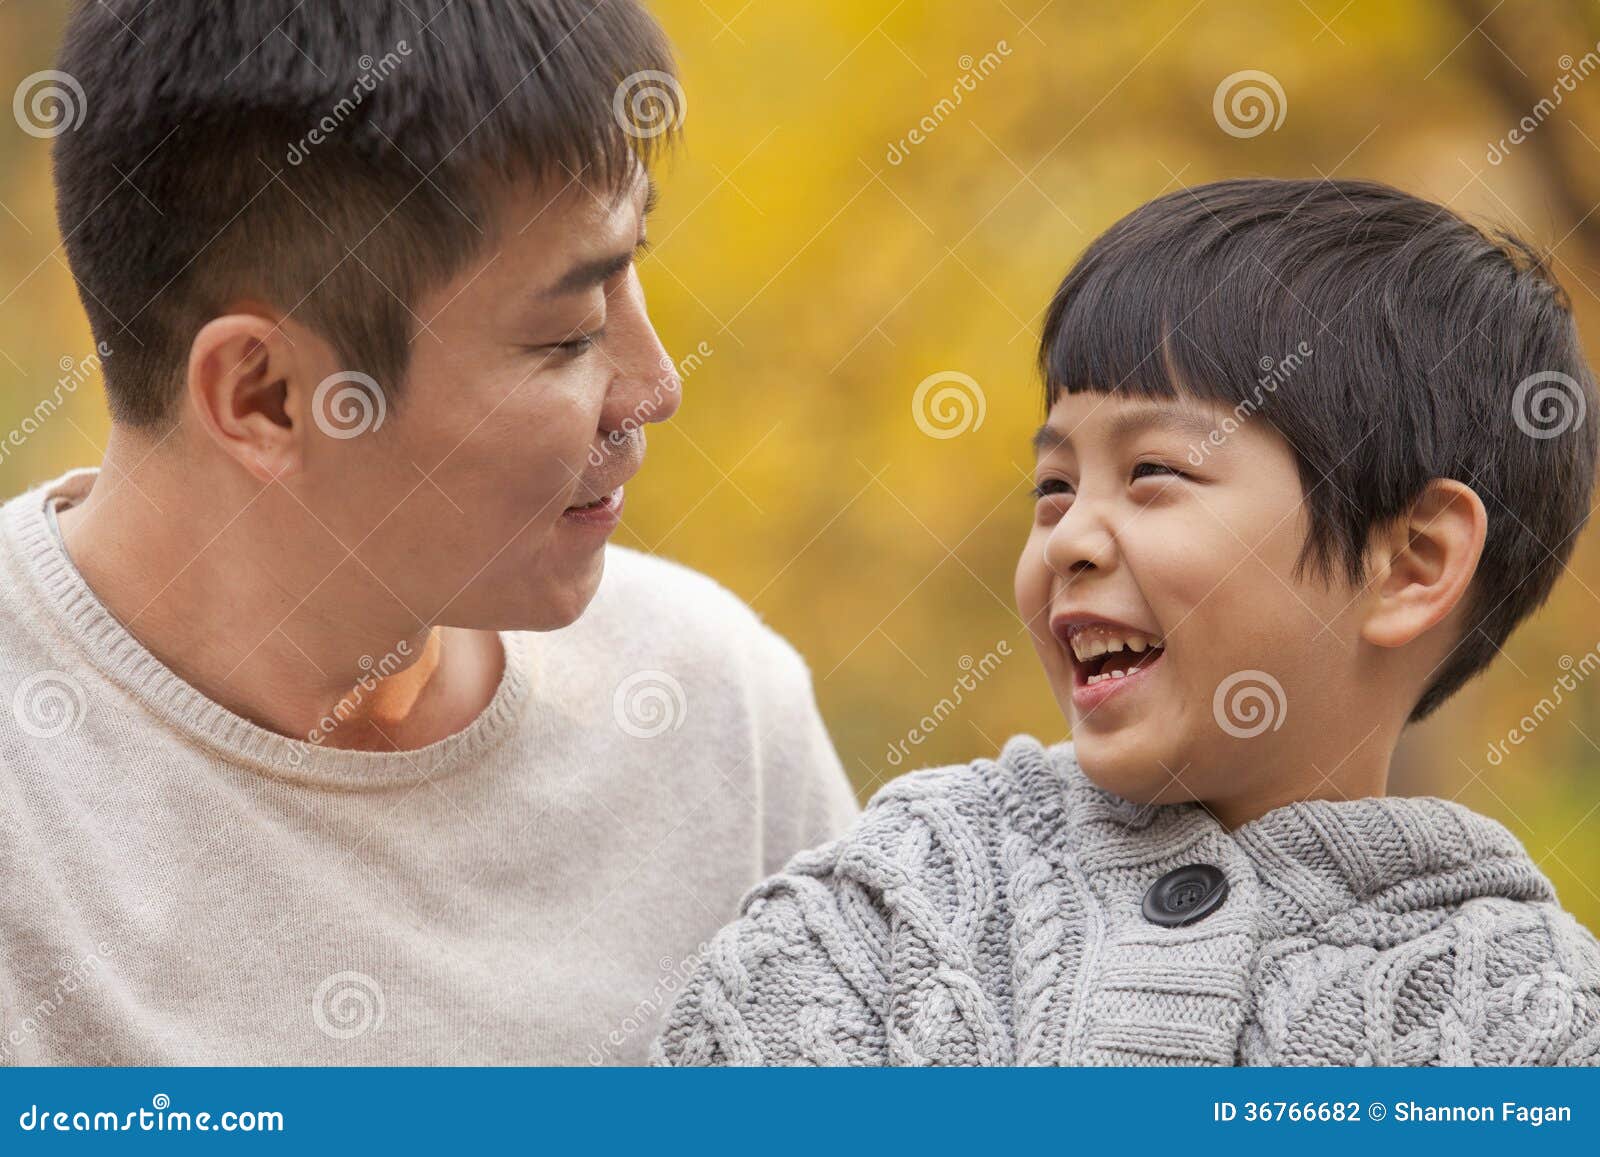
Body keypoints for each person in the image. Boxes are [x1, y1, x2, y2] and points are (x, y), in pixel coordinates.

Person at [0, 0, 857, 1065]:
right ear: (265, 395)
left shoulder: (714, 713)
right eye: (566, 337)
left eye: (631, 265)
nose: (652, 388)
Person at [654, 178, 1600, 1066]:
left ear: (1412, 565)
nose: (1069, 539)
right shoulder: (897, 903)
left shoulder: (1535, 1025)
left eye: (1154, 473)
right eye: (1054, 487)